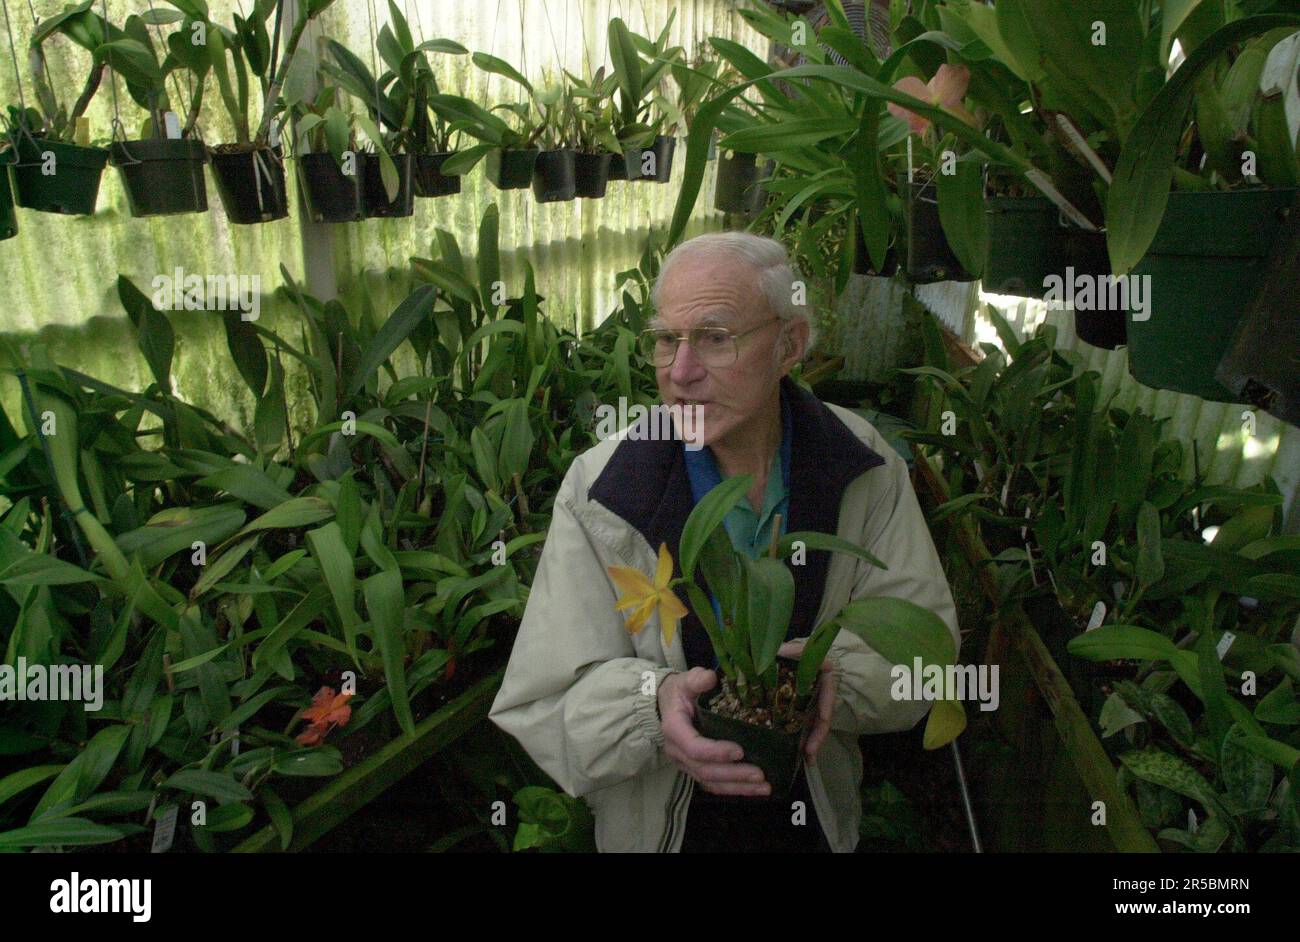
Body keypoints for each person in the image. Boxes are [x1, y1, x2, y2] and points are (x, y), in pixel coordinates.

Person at [489, 232, 960, 852]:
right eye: (666, 339)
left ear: (789, 345)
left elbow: (924, 651)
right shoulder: (603, 489)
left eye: (715, 337)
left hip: (811, 816)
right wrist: (653, 707)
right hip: (662, 831)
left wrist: (833, 679)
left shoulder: (861, 464)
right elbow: (543, 697)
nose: (681, 373)